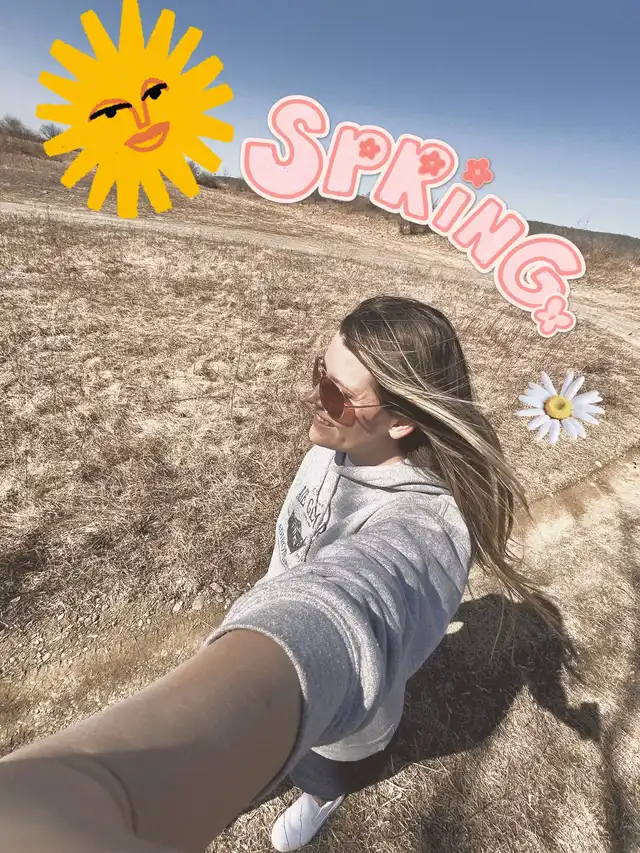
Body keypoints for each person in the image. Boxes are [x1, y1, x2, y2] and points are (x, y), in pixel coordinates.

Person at [0, 296, 550, 853]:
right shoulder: (337, 445)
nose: (314, 397)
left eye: (337, 394)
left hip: (349, 723)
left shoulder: (427, 523)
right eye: (319, 373)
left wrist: (107, 782)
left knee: (325, 771)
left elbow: (359, 594)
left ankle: (321, 798)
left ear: (401, 420)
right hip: (279, 649)